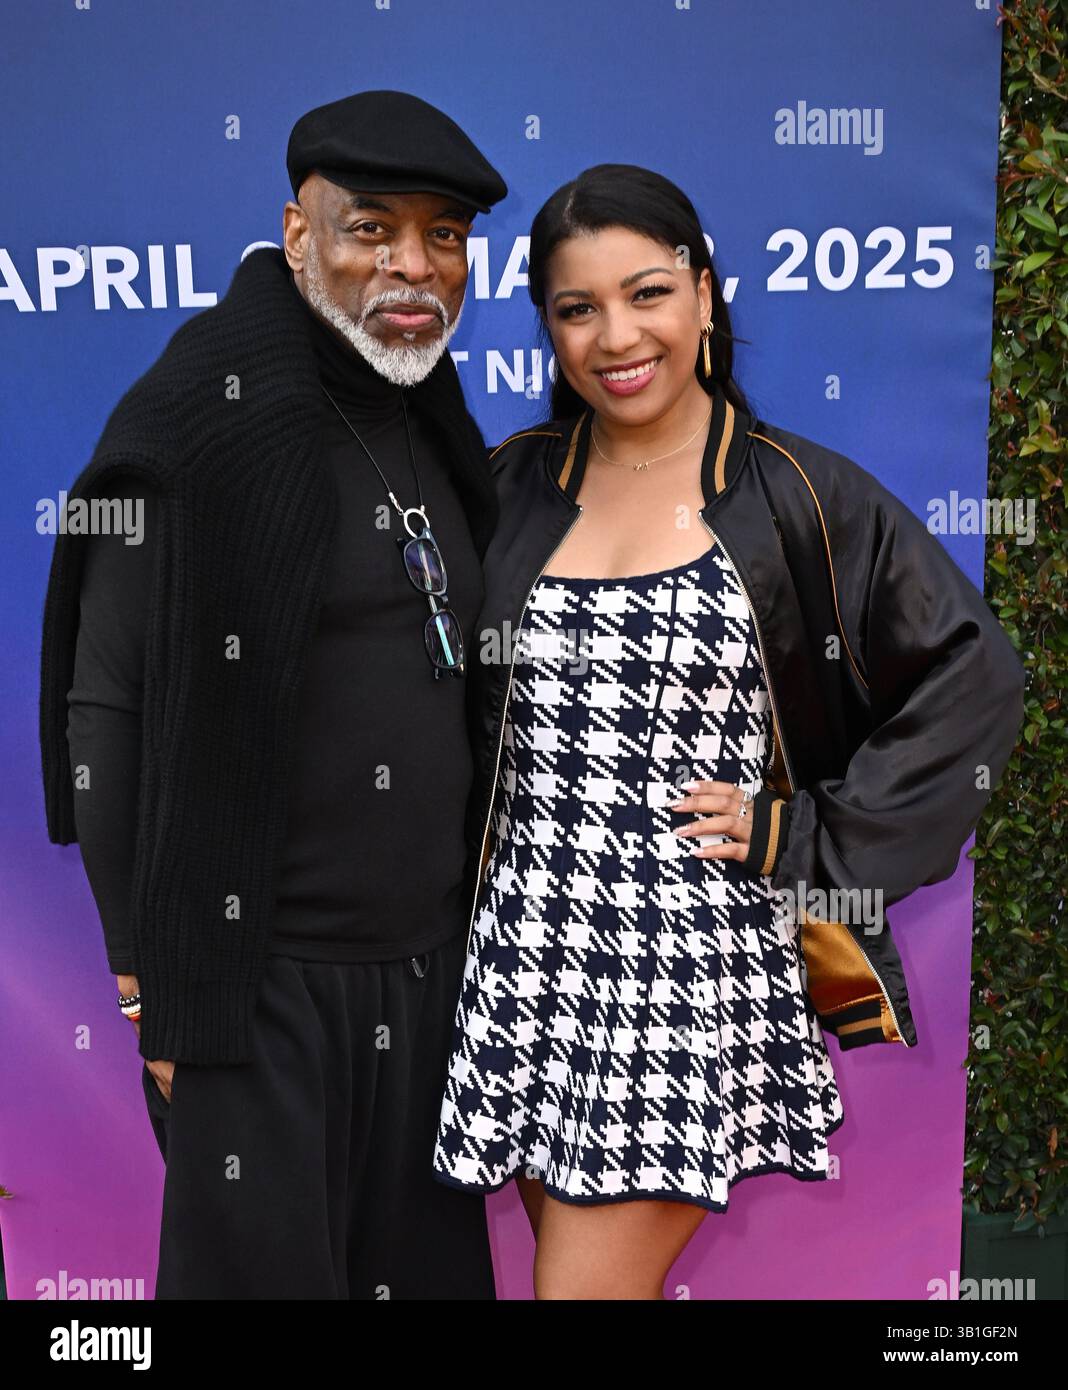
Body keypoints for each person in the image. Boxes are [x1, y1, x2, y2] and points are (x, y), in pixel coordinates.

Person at [430, 163, 1027, 1299]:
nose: (618, 334)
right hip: (519, 963)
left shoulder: (800, 494)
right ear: (549, 329)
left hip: (683, 972)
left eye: (647, 292)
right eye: (577, 308)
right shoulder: (507, 484)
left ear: (705, 295)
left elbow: (974, 675)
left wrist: (807, 833)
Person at [39, 89, 507, 1299]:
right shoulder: (204, 416)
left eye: (444, 235)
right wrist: (150, 978)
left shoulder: (427, 410)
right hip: (257, 990)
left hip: (427, 975)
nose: (413, 266)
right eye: (372, 230)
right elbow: (108, 708)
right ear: (298, 236)